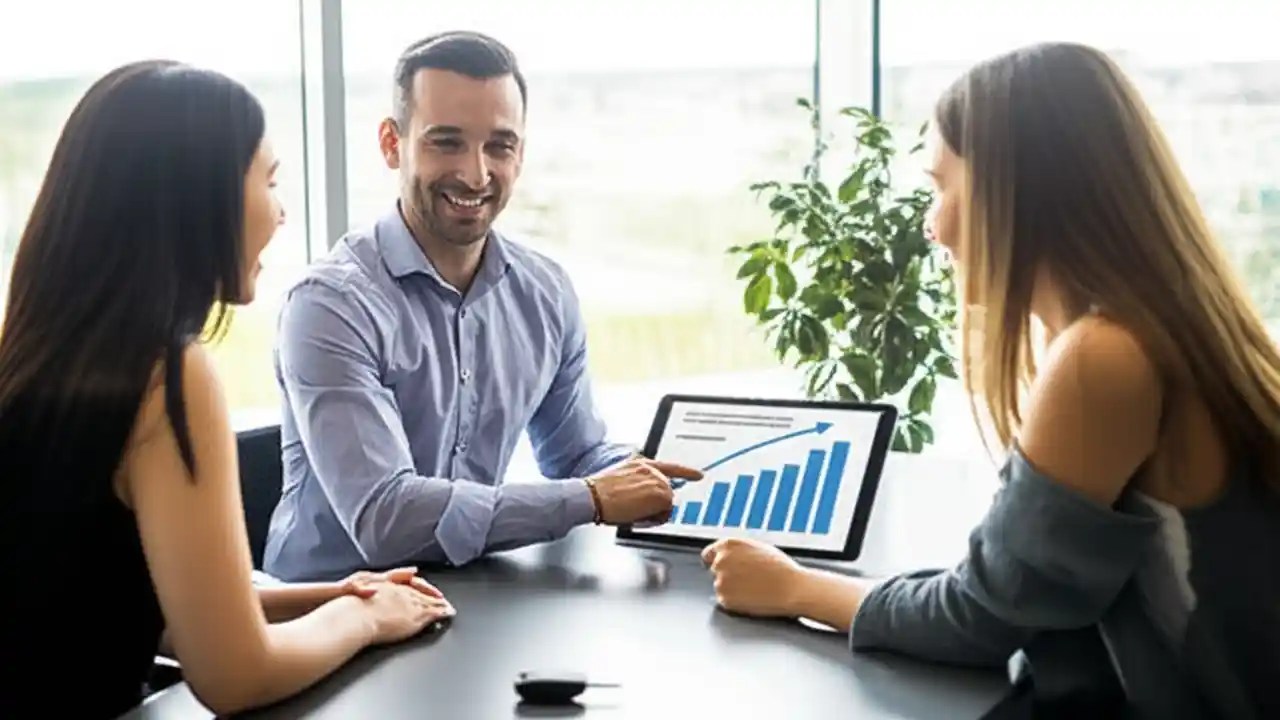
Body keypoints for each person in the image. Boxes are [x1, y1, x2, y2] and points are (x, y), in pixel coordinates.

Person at [701, 42, 1280, 718]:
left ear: (1019, 191)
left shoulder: (1105, 358)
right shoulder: (1158, 329)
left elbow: (984, 612)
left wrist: (796, 589)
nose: (932, 223)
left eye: (943, 185)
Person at [0, 61, 455, 719]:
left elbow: (105, 600)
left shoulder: (38, 354)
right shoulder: (167, 378)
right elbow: (235, 674)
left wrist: (333, 596)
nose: (281, 210)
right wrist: (368, 621)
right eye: (268, 180)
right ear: (196, 197)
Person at [264, 31, 701, 582]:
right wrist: (591, 497)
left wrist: (660, 475)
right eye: (446, 142)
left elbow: (576, 455)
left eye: (500, 145)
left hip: (467, 599)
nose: (476, 174)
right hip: (328, 616)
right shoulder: (330, 306)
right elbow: (385, 519)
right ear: (392, 144)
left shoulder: (545, 293)